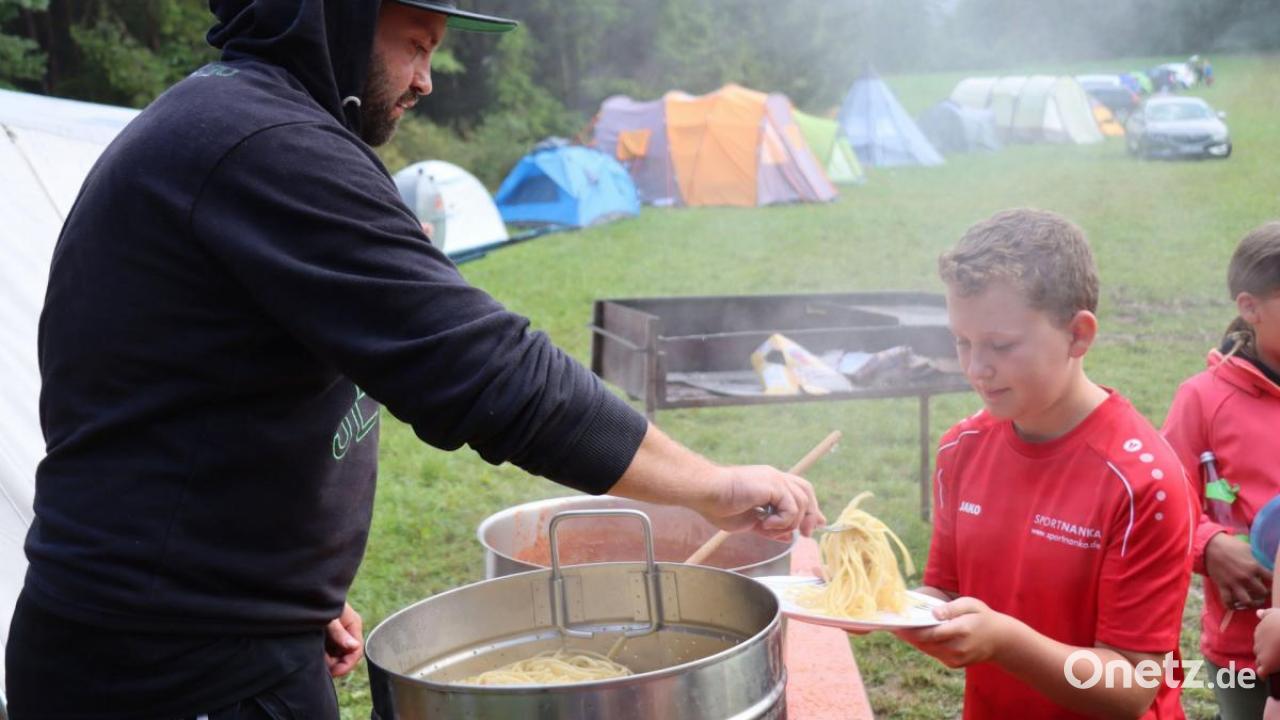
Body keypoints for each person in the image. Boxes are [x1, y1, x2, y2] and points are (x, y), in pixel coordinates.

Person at [4, 2, 824, 718]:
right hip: (168, 668)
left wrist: (283, 586)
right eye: (417, 44)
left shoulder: (241, 126)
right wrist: (714, 488)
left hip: (212, 626)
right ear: (338, 16)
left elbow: (193, 395)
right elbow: (489, 371)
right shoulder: (264, 144)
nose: (427, 78)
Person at [898, 209, 1195, 719]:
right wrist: (877, 603)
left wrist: (1007, 643)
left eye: (1001, 345)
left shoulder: (1144, 481)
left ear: (1078, 335)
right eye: (962, 342)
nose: (975, 368)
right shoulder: (961, 449)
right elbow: (943, 591)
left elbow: (1132, 684)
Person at [1163, 221, 1280, 720]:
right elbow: (1162, 502)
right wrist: (1207, 544)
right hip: (1243, 646)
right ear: (1249, 308)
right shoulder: (1202, 398)